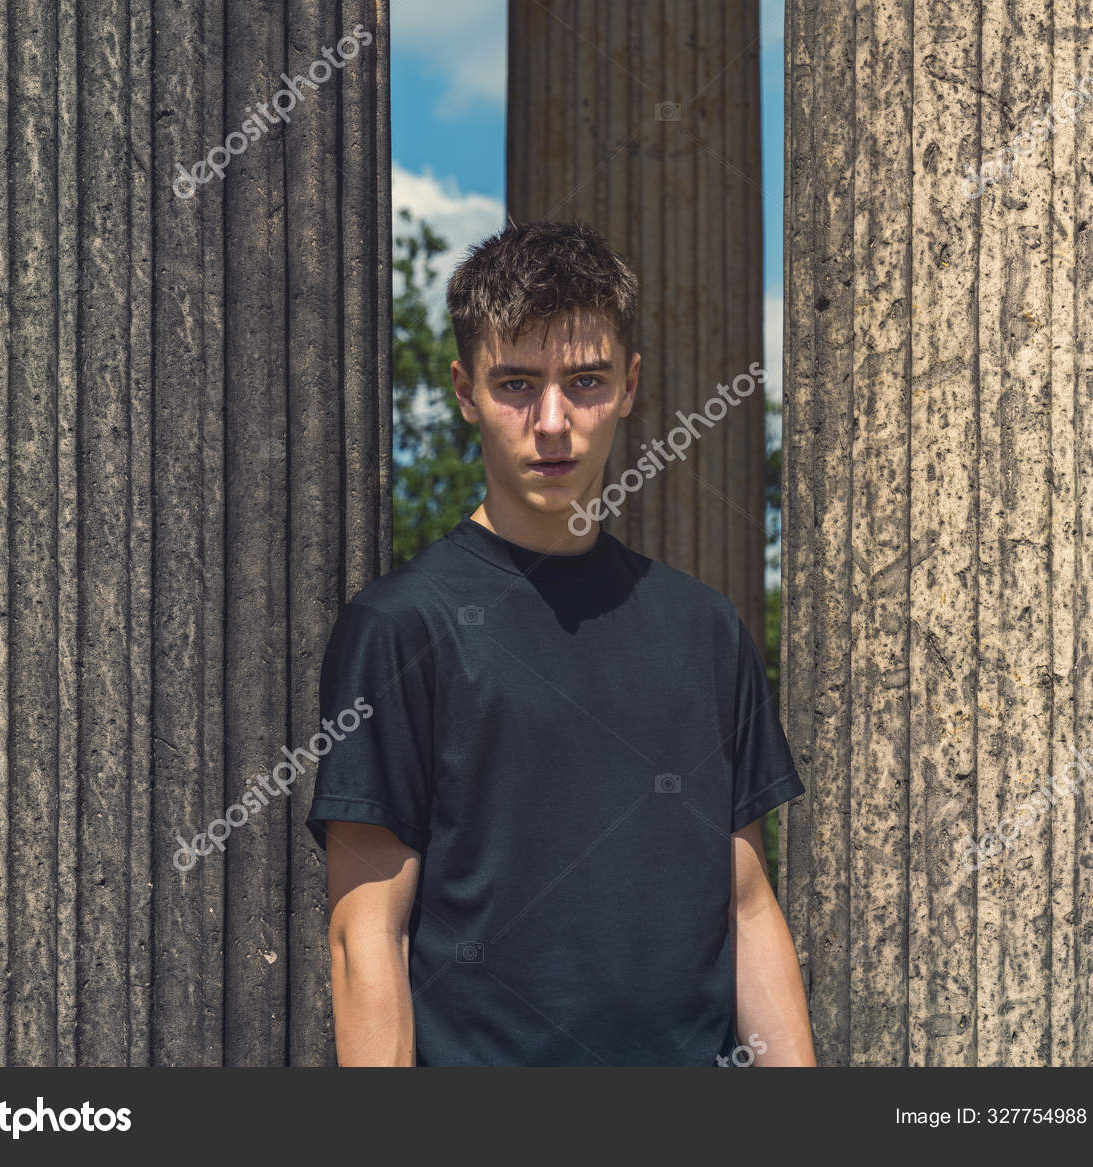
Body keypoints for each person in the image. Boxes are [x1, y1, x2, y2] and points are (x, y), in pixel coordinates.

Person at [306, 219, 813, 1066]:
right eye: (516, 384)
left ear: (629, 385)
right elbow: (368, 941)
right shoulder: (401, 628)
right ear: (465, 390)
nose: (552, 422)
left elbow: (750, 908)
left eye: (584, 381)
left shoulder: (704, 629)